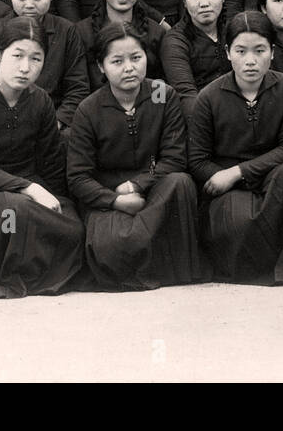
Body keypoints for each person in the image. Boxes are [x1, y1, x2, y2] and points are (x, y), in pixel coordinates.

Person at [0, 17, 87, 297]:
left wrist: (59, 199)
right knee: (15, 212)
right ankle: (9, 278)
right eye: (17, 56)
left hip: (31, 187)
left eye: (36, 59)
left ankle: (36, 278)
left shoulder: (40, 100)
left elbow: (51, 161)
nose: (26, 67)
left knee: (72, 223)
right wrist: (30, 188)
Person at [65, 22, 207, 290]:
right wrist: (115, 200)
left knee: (180, 182)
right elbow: (79, 177)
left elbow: (174, 157)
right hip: (108, 196)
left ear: (146, 58)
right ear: (100, 66)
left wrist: (138, 184)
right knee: (112, 245)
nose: (129, 68)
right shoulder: (89, 109)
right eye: (117, 61)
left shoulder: (162, 95)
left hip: (155, 187)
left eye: (136, 58)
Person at [187, 11, 283, 285]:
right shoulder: (209, 96)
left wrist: (239, 172)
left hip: (271, 181)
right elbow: (197, 160)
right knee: (239, 219)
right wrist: (230, 178)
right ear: (228, 53)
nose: (250, 60)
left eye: (259, 50)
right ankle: (247, 270)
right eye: (241, 51)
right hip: (227, 189)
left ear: (272, 51)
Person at [0, 0, 90, 128]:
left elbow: (78, 88)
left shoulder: (66, 31)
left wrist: (55, 123)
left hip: (53, 121)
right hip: (4, 121)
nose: (29, 5)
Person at [73, 0, 171, 91]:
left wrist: (156, 111)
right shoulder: (81, 32)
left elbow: (161, 85)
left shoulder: (156, 33)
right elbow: (78, 88)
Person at [160, 0, 231, 120]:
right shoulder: (175, 41)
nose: (204, 3)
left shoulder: (233, 32)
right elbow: (186, 96)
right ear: (184, 2)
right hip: (199, 121)